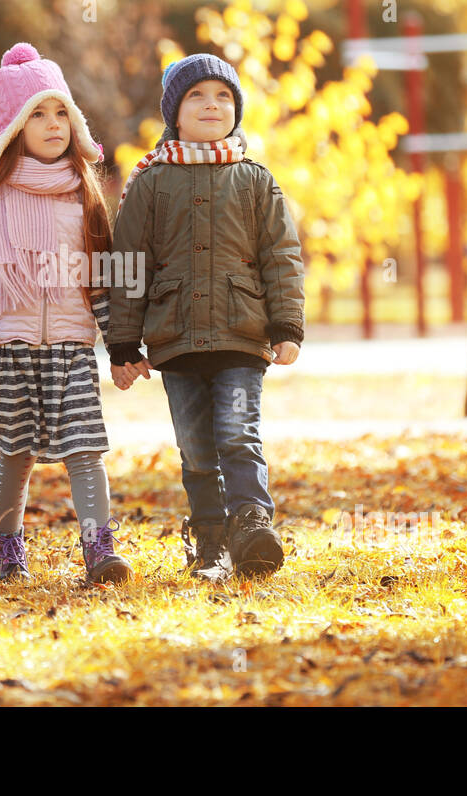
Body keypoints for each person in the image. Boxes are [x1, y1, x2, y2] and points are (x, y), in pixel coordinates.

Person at [0, 42, 132, 585]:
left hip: (71, 347)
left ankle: (100, 549)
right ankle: (6, 550)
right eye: (37, 114)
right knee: (16, 453)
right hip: (9, 349)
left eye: (61, 112)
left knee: (86, 450)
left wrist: (120, 348)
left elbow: (100, 284)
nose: (53, 124)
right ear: (14, 128)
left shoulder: (83, 199)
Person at [108, 53, 305, 581]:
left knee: (239, 435)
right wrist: (123, 343)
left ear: (236, 109)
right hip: (175, 342)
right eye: (197, 95)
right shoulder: (150, 182)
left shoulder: (254, 180)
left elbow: (280, 255)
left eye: (222, 96)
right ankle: (211, 543)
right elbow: (128, 263)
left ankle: (252, 527)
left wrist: (287, 325)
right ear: (174, 111)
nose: (211, 105)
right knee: (197, 451)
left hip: (242, 336)